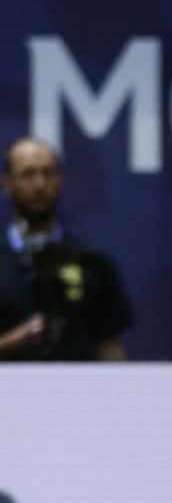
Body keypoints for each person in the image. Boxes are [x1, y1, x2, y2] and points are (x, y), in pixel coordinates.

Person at [0, 137, 133, 361]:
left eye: (47, 173)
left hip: (75, 393)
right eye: (27, 174)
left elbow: (109, 346)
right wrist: (14, 341)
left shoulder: (91, 261)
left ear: (60, 180)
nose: (39, 185)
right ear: (7, 183)